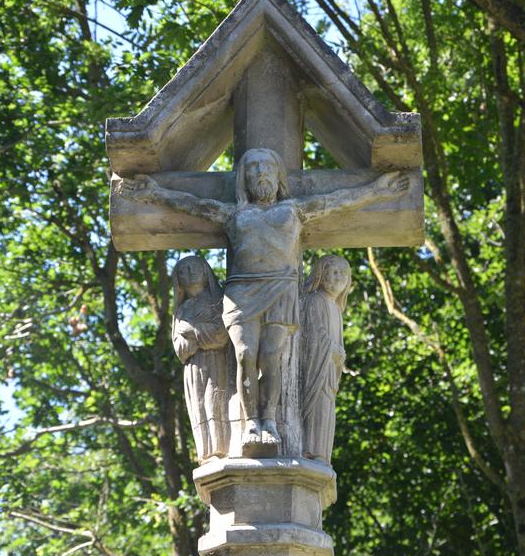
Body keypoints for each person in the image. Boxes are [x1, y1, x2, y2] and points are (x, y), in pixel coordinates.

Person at [120, 148, 408, 449]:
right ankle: (251, 424)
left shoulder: (295, 210)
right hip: (242, 293)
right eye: (254, 168)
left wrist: (377, 190)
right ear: (244, 178)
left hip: (281, 289)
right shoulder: (234, 214)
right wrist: (154, 194)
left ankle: (268, 420)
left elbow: (337, 202)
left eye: (266, 167)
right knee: (245, 355)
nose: (261, 173)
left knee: (271, 355)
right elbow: (193, 205)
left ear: (277, 174)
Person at [171, 255, 230, 461]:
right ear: (177, 279)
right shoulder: (181, 310)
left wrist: (192, 331)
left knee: (215, 400)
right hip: (193, 368)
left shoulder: (219, 301)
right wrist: (197, 338)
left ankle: (221, 449)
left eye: (195, 267)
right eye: (183, 270)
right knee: (198, 406)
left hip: (217, 361)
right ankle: (207, 453)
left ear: (206, 270)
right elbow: (180, 349)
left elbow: (221, 335)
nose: (190, 272)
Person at [299, 254, 351, 464]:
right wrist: (332, 349)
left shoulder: (336, 309)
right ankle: (310, 450)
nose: (339, 278)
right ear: (321, 275)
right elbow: (314, 334)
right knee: (316, 406)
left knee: (327, 408)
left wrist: (338, 353)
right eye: (334, 272)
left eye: (344, 274)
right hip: (316, 368)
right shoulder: (315, 301)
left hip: (329, 371)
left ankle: (322, 453)